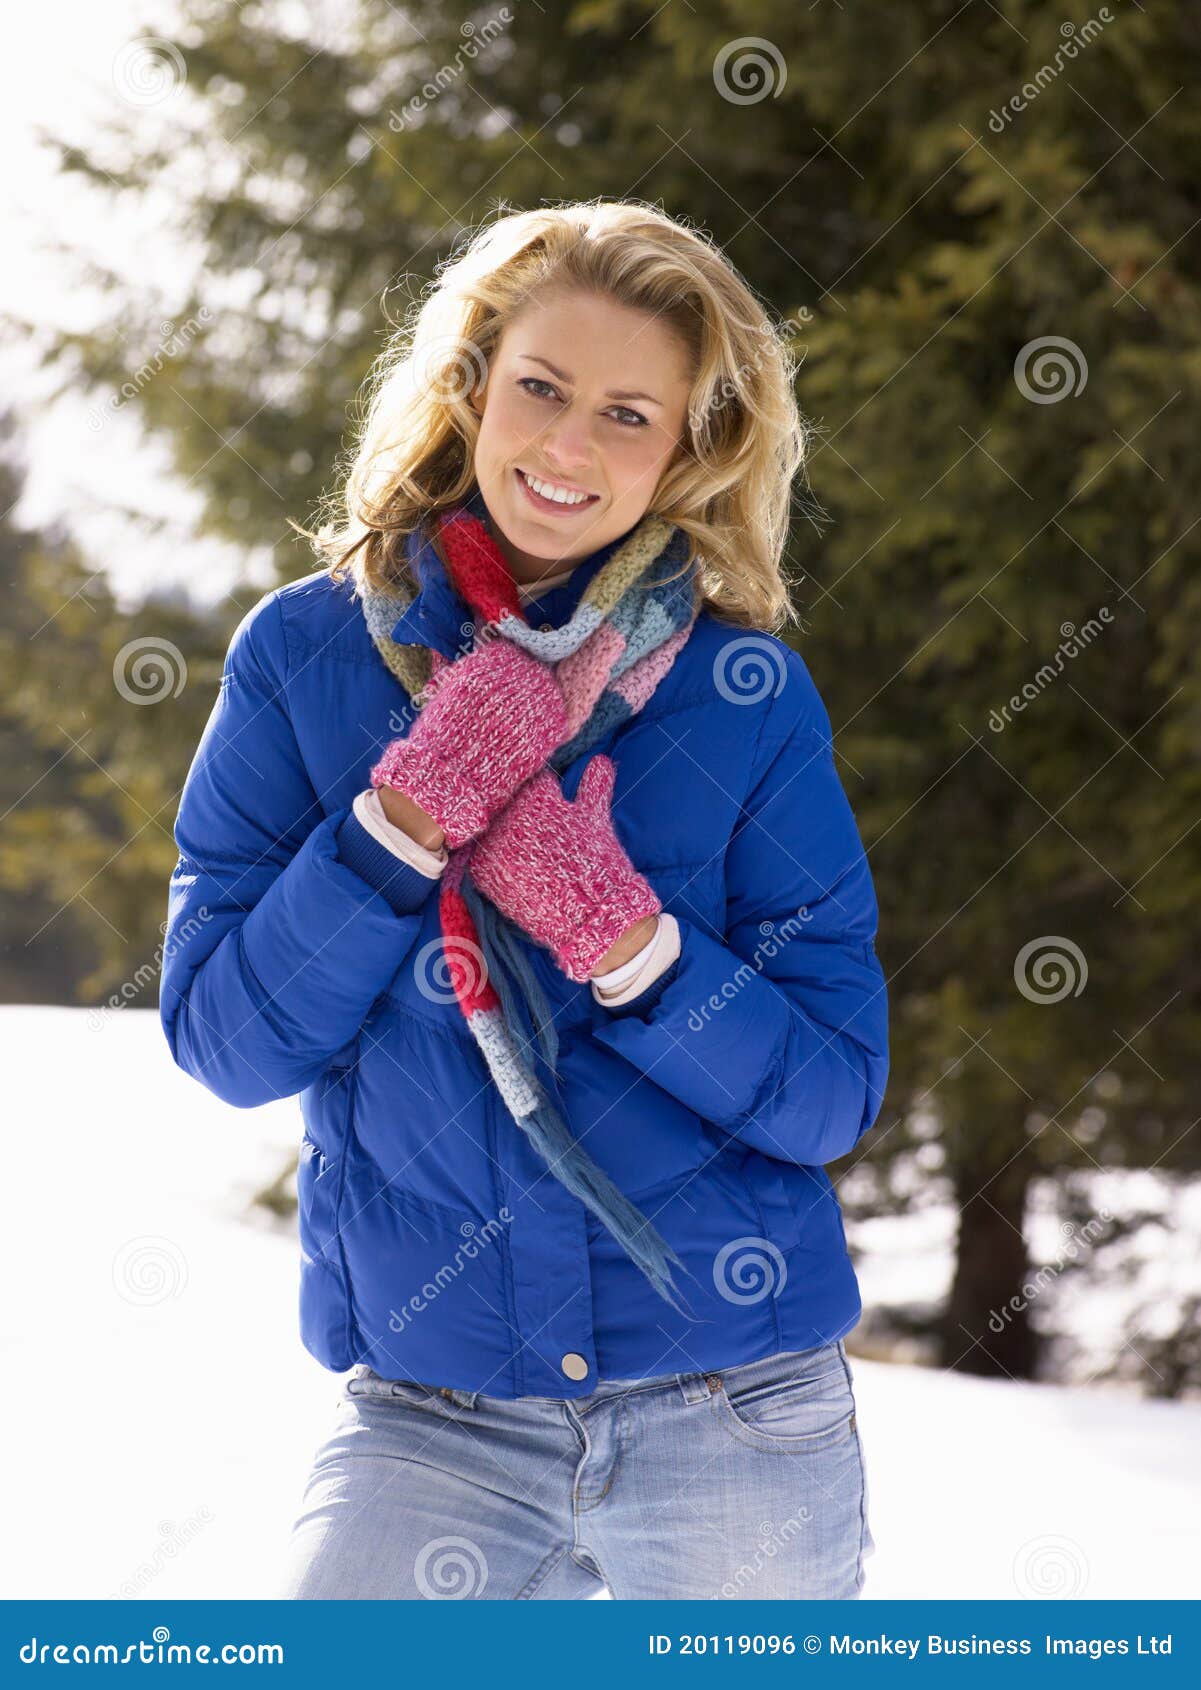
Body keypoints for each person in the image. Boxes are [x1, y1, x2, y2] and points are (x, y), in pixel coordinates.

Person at [160, 200, 889, 1601]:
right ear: (471, 385)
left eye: (627, 414)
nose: (567, 446)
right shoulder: (307, 656)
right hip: (431, 1417)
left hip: (730, 1409)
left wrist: (628, 941)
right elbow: (225, 1041)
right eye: (541, 389)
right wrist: (398, 826)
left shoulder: (744, 695)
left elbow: (827, 1092)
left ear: (688, 445)